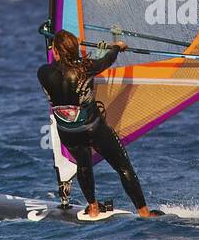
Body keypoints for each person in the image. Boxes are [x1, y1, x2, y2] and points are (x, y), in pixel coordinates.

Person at [38, 29, 162, 218]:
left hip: (68, 131)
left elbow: (59, 65)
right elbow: (107, 59)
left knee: (83, 165)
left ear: (55, 51)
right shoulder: (86, 68)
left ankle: (93, 207)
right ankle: (144, 212)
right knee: (123, 167)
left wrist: (67, 49)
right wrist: (116, 47)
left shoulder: (43, 72)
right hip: (93, 129)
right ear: (73, 50)